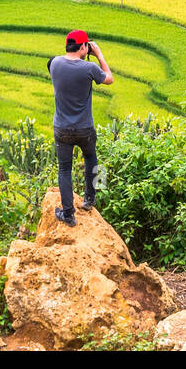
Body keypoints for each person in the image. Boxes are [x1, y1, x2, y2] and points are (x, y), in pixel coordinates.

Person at [47, 30, 113, 226]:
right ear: (84, 47)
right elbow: (109, 78)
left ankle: (68, 214)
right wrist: (99, 54)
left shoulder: (55, 63)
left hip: (62, 129)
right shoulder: (89, 68)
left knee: (64, 169)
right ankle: (89, 199)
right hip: (85, 128)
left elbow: (55, 63)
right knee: (91, 158)